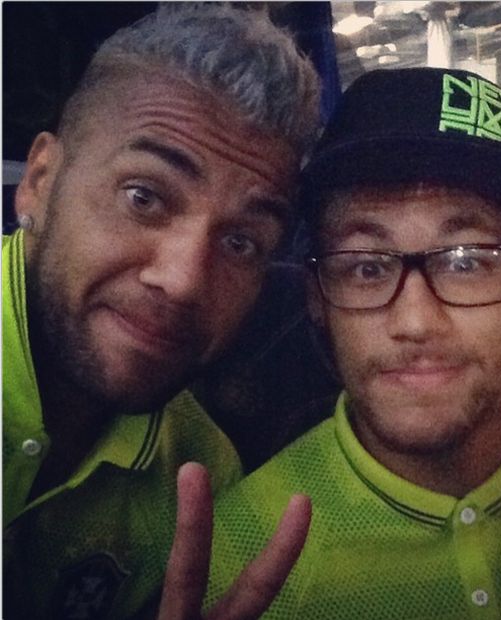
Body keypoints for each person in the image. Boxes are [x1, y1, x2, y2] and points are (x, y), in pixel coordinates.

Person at [204, 68, 501, 619]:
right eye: (366, 268)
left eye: (467, 260)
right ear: (317, 299)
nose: (417, 322)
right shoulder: (239, 558)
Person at [2, 5, 321, 619]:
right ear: (40, 180)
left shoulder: (199, 481)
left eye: (241, 242)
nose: (182, 280)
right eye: (143, 197)